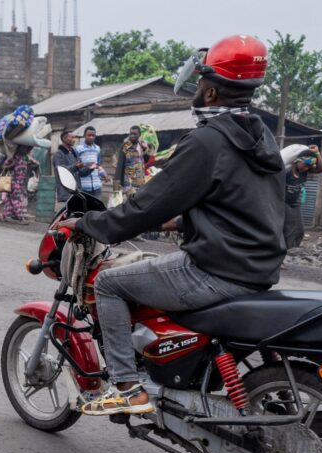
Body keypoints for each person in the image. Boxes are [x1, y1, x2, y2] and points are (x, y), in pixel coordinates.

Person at [60, 34, 285, 415]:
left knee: (110, 282)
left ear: (211, 92)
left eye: (200, 83)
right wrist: (180, 223)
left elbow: (144, 206)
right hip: (259, 269)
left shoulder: (207, 142)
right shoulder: (260, 136)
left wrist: (91, 224)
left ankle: (127, 387)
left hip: (216, 271)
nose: (196, 91)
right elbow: (244, 206)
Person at [283, 146, 322, 249]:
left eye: (309, 166)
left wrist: (317, 154)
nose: (307, 168)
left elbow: (321, 168)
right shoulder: (286, 172)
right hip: (283, 203)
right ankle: (287, 251)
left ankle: (292, 250)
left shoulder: (304, 171)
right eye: (305, 165)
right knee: (290, 230)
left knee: (299, 231)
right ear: (298, 161)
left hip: (294, 204)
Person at [0, 145, 37, 224]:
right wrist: (11, 164)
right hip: (14, 182)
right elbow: (3, 167)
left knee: (9, 200)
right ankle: (20, 218)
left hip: (20, 183)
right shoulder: (13, 157)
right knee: (17, 200)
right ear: (19, 148)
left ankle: (6, 215)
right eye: (24, 148)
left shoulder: (25, 158)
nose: (25, 150)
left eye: (27, 149)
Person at [114, 125, 150, 201]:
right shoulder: (126, 145)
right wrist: (116, 186)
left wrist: (146, 149)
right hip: (129, 180)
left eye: (135, 134)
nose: (132, 136)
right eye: (131, 134)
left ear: (139, 135)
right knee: (129, 200)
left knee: (139, 200)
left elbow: (146, 160)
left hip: (140, 178)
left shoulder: (142, 144)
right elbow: (120, 164)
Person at [74, 126, 110, 200]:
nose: (91, 137)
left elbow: (98, 165)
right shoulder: (78, 149)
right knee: (85, 206)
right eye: (89, 135)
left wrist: (104, 175)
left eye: (93, 135)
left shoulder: (97, 148)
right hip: (83, 186)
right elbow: (76, 167)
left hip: (96, 185)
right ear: (84, 135)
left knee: (98, 206)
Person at [53, 127, 85, 204]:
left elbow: (80, 172)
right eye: (72, 137)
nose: (74, 139)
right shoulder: (58, 154)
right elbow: (62, 171)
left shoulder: (74, 153)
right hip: (65, 194)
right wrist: (76, 167)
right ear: (64, 139)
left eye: (74, 137)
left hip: (77, 192)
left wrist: (90, 168)